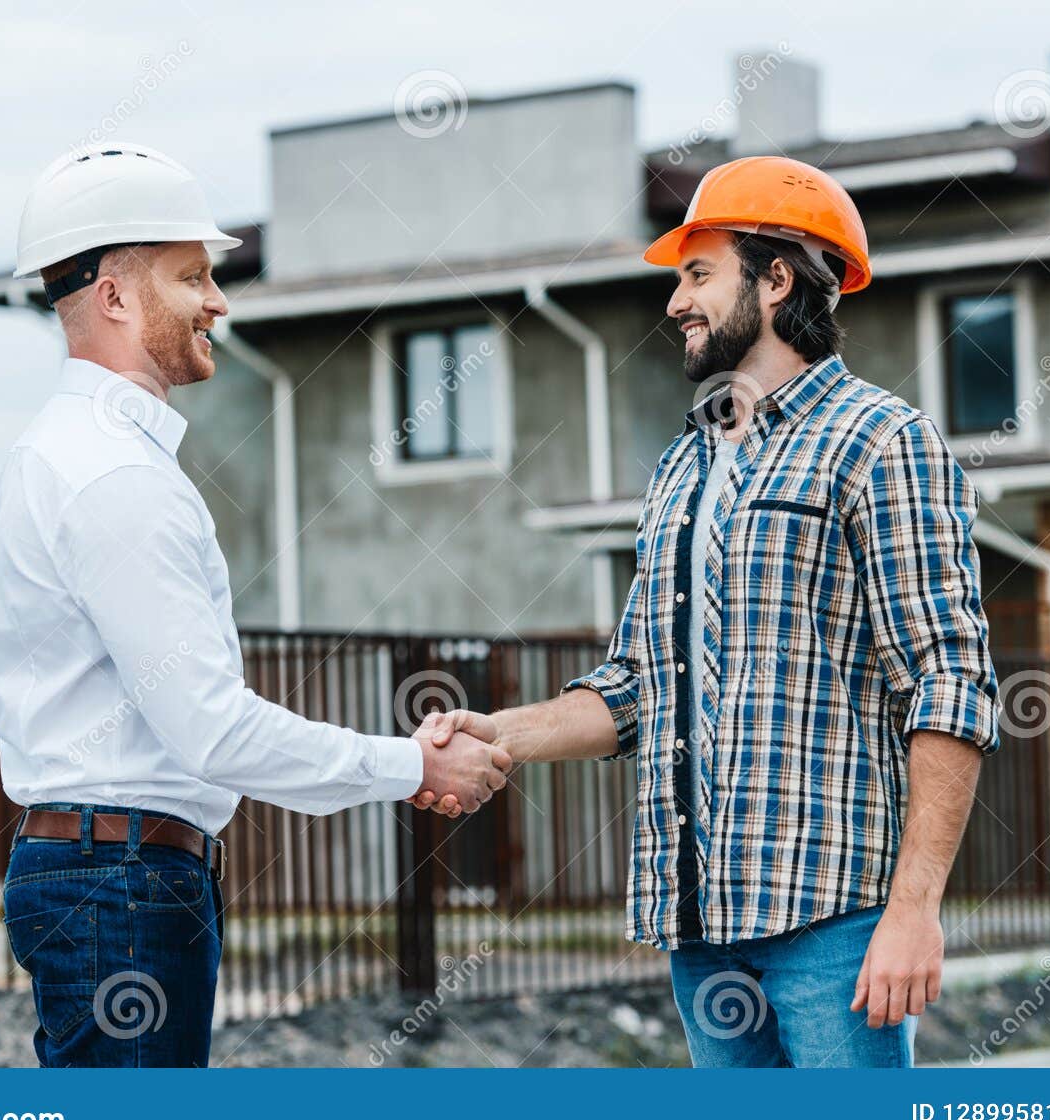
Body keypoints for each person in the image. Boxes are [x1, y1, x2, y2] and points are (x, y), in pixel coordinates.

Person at [417, 156, 999, 1068]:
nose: (675, 302)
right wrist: (496, 734)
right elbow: (636, 688)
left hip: (834, 921)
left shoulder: (882, 442)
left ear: (776, 278)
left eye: (698, 273)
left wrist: (916, 908)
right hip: (702, 924)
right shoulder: (681, 470)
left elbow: (949, 679)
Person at [0, 143, 509, 1067]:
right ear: (113, 295)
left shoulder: (84, 453)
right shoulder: (110, 474)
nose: (219, 302)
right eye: (192, 277)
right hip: (122, 882)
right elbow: (211, 731)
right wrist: (408, 764)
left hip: (120, 876)